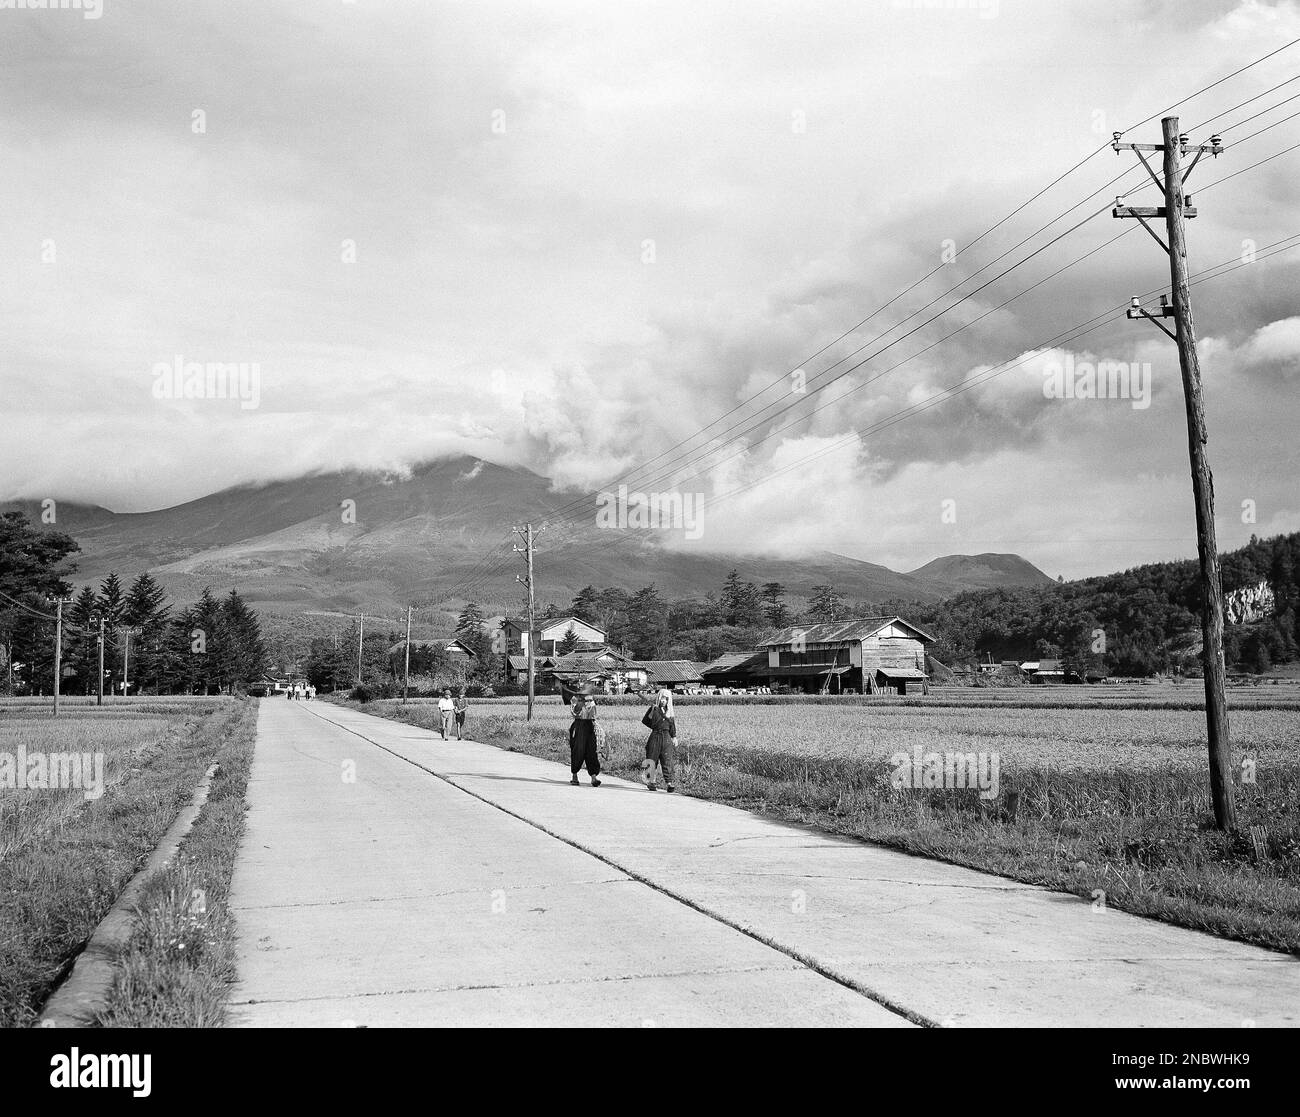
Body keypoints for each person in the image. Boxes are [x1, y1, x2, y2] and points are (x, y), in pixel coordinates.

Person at [641, 688, 679, 792]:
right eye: (662, 698)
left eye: (666, 699)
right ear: (659, 698)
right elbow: (645, 721)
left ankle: (669, 783)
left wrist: (674, 737)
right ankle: (651, 781)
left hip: (666, 737)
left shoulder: (670, 712)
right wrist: (652, 715)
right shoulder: (653, 709)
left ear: (668, 700)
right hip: (655, 736)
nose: (663, 701)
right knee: (651, 758)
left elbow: (672, 725)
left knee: (667, 760)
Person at [568, 692, 601, 786]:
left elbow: (594, 712)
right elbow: (575, 712)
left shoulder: (590, 697)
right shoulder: (575, 698)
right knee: (578, 751)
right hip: (579, 726)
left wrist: (588, 702)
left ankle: (594, 777)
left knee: (592, 751)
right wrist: (582, 702)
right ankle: (574, 775)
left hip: (590, 726)